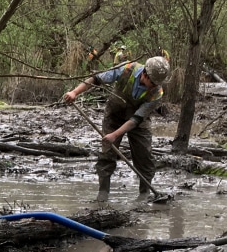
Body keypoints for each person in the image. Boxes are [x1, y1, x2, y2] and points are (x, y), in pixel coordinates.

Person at [62, 56, 170, 203]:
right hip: (114, 114)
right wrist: (75, 92)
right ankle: (103, 194)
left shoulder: (157, 93)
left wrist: (115, 135)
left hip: (138, 120)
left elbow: (136, 119)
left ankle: (144, 194)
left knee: (144, 155)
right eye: (153, 83)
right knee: (107, 153)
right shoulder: (127, 69)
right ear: (145, 74)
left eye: (157, 84)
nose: (154, 87)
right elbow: (96, 79)